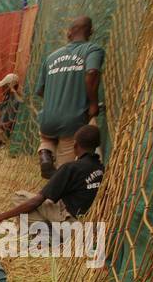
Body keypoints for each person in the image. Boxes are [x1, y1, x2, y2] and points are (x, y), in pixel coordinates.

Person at [34, 16, 104, 177]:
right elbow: (92, 72)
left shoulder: (51, 57)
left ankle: (45, 153)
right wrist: (93, 104)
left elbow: (41, 90)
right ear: (91, 31)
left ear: (68, 33)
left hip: (47, 118)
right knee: (65, 169)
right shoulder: (93, 50)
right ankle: (59, 189)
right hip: (73, 121)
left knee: (47, 138)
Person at [0, 124, 104, 229]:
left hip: (70, 223)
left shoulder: (71, 168)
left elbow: (36, 201)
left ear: (75, 145)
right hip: (89, 222)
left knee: (19, 197)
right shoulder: (102, 168)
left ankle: (50, 232)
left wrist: (1, 217)